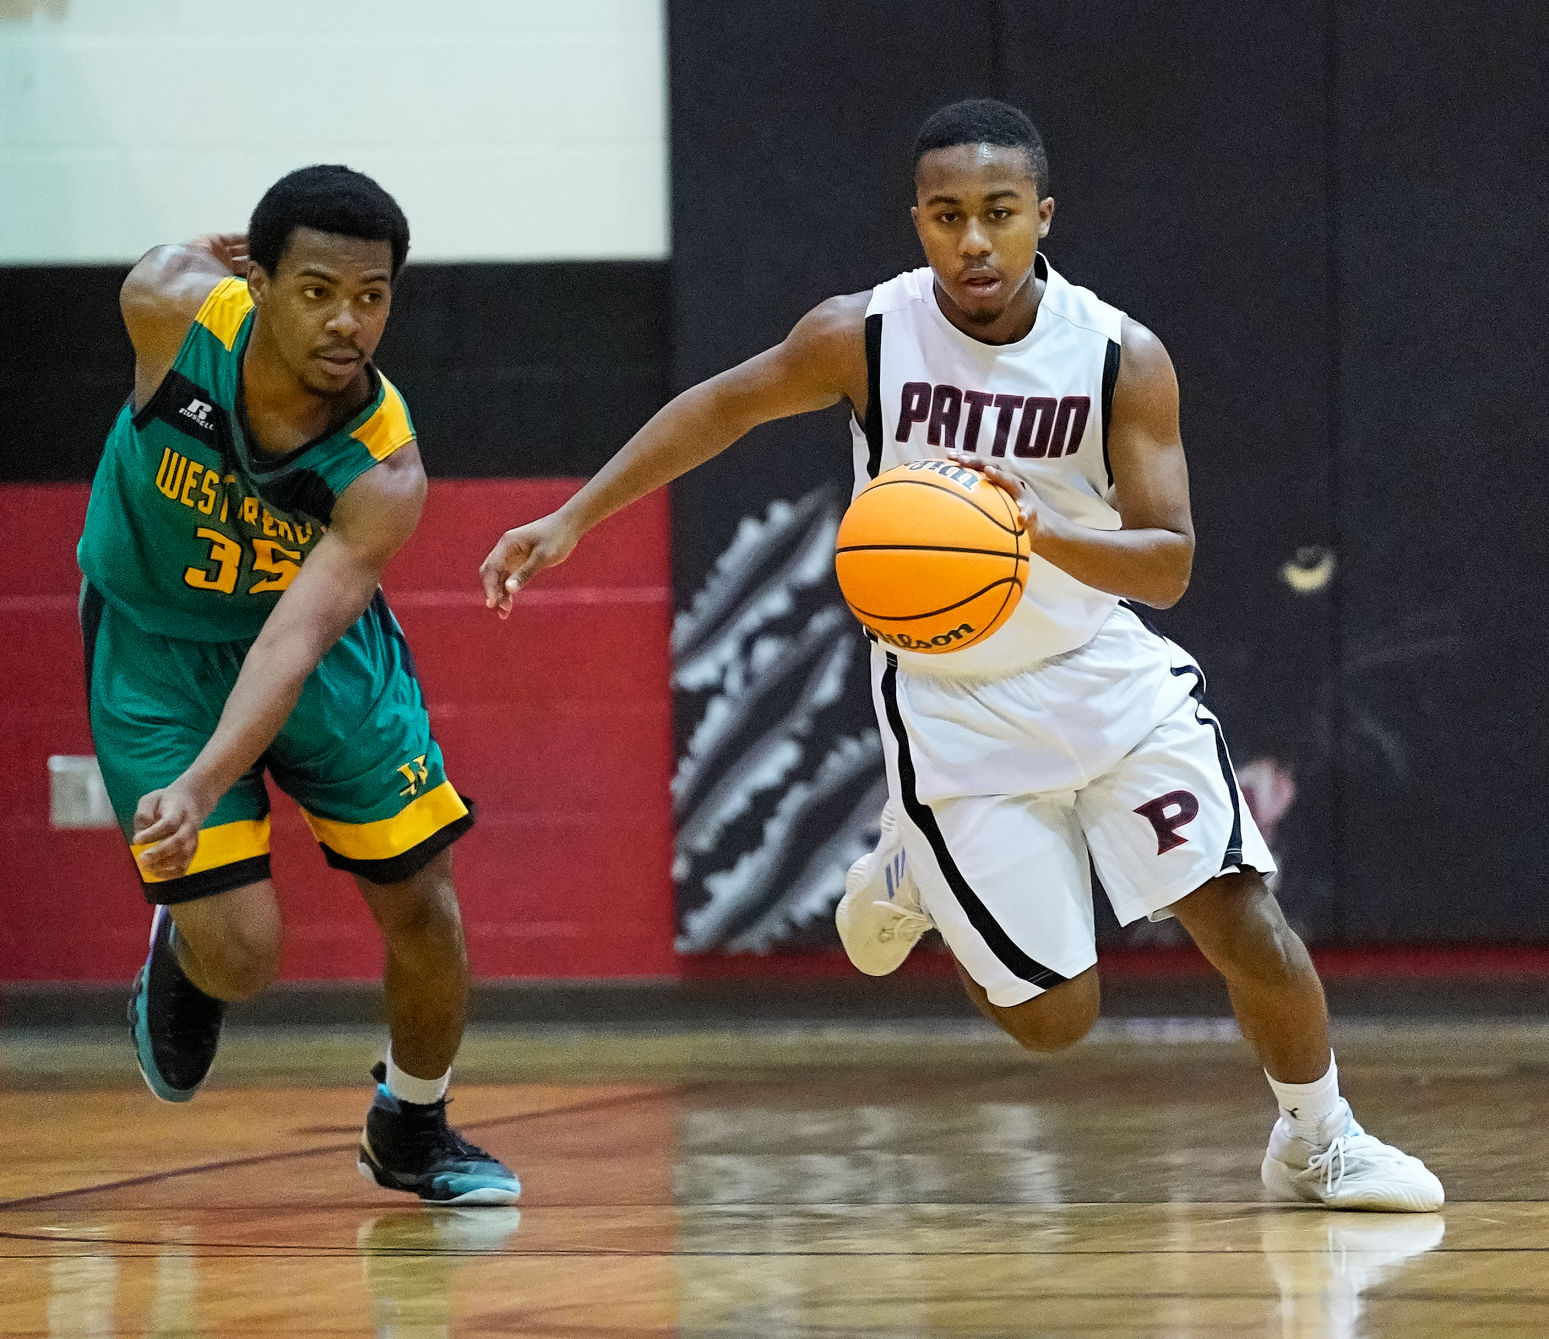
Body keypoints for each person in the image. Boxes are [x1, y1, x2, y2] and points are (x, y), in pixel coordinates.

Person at [479, 100, 1443, 1211]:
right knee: (1055, 1020)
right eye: (946, 217)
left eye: (996, 214)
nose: (972, 241)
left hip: (1102, 674)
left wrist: (1035, 534)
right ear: (917, 223)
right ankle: (909, 868)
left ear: (1043, 215)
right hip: (951, 700)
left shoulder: (1117, 357)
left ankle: (1318, 1138)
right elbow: (722, 408)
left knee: (1240, 915)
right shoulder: (865, 336)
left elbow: (1168, 563)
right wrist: (571, 521)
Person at [78, 164, 519, 1205]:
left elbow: (290, 644)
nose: (347, 321)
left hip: (313, 649)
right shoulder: (166, 311)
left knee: (420, 895)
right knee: (244, 959)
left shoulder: (383, 471)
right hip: (156, 646)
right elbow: (179, 261)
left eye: (371, 298)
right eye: (316, 289)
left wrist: (201, 783)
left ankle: (412, 1124)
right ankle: (186, 952)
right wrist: (191, 781)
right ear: (261, 281)